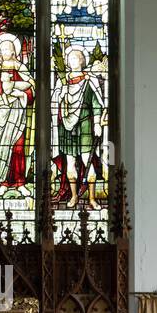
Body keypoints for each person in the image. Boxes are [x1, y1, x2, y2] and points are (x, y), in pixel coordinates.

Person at [51, 45, 107, 208]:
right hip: (66, 126)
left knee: (86, 159)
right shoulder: (63, 82)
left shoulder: (90, 82)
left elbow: (96, 104)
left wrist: (97, 124)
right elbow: (55, 102)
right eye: (70, 58)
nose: (72, 60)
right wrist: (60, 95)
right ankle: (74, 196)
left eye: (76, 57)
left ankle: (91, 198)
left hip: (85, 125)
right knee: (70, 161)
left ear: (82, 61)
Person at [0, 32, 35, 189]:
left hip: (17, 113)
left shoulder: (21, 68)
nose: (5, 52)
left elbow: (32, 91)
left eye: (8, 49)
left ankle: (19, 182)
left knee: (18, 147)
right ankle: (1, 181)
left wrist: (20, 93)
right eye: (2, 49)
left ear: (14, 52)